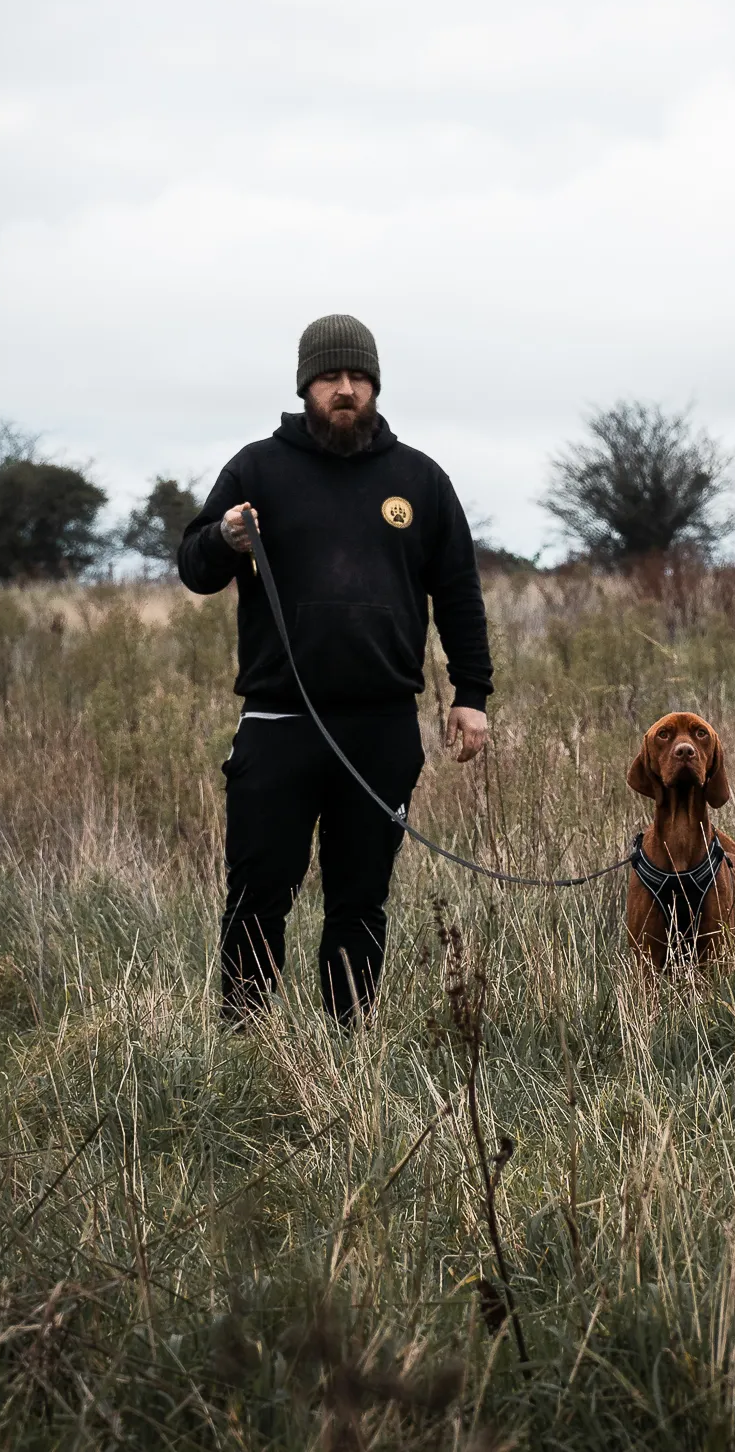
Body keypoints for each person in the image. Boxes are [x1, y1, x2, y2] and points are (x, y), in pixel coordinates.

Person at [178, 314, 492, 1027]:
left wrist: (470, 695)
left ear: (375, 385)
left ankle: (346, 1051)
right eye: (330, 379)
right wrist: (226, 538)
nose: (345, 391)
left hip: (380, 728)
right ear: (306, 386)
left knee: (360, 901)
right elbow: (194, 565)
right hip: (278, 724)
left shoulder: (419, 479)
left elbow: (460, 593)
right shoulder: (257, 467)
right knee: (260, 891)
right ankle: (245, 1043)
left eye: (358, 378)